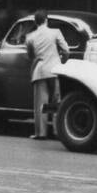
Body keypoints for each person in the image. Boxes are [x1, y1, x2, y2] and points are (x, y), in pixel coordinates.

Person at [24, 10, 69, 140]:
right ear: (46, 20)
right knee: (56, 101)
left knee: (41, 104)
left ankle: (41, 133)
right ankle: (57, 131)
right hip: (54, 70)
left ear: (35, 22)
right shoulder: (55, 33)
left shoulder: (30, 37)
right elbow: (66, 50)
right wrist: (61, 62)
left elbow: (30, 56)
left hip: (40, 71)